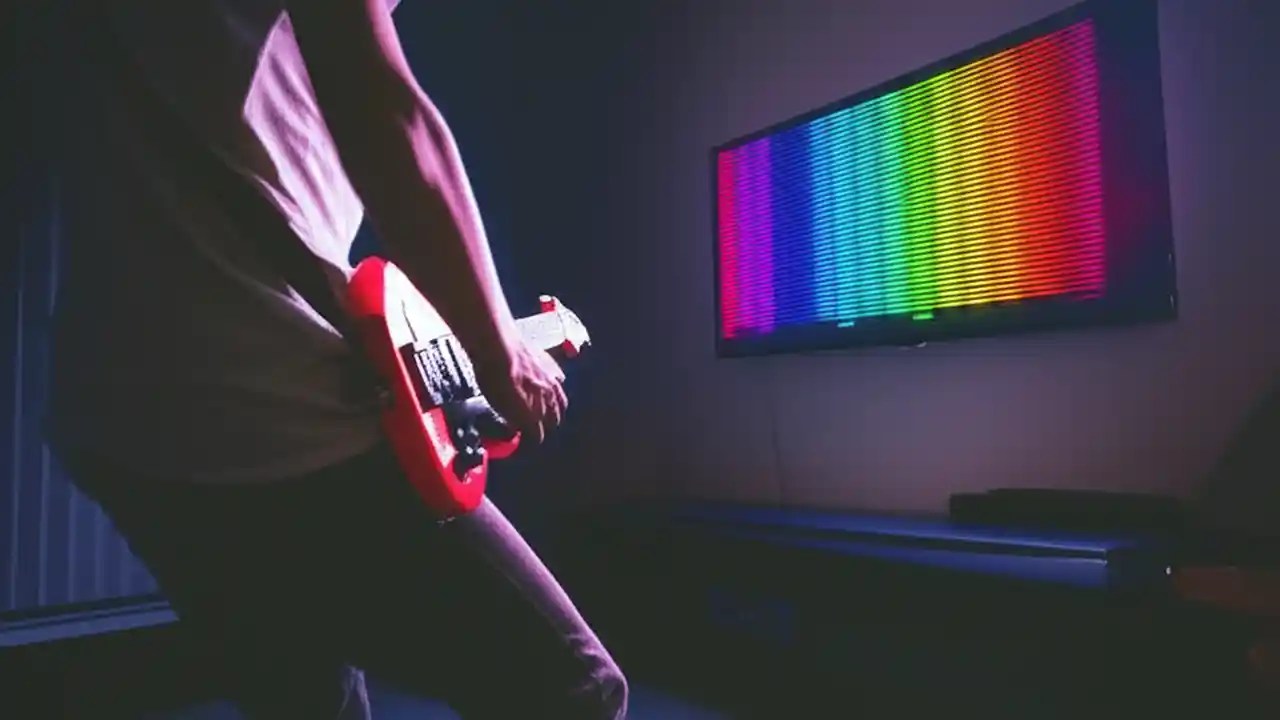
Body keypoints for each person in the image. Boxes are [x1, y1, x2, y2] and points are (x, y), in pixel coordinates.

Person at [42, 1, 629, 717]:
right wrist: (497, 347)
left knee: (305, 697)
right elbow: (387, 116)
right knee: (572, 689)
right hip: (259, 389)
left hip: (115, 414)